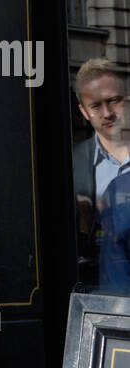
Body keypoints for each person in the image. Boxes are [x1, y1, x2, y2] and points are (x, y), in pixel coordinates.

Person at [72, 58, 130, 289]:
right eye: (96, 106)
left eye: (113, 101)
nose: (107, 113)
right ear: (84, 112)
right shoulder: (73, 164)